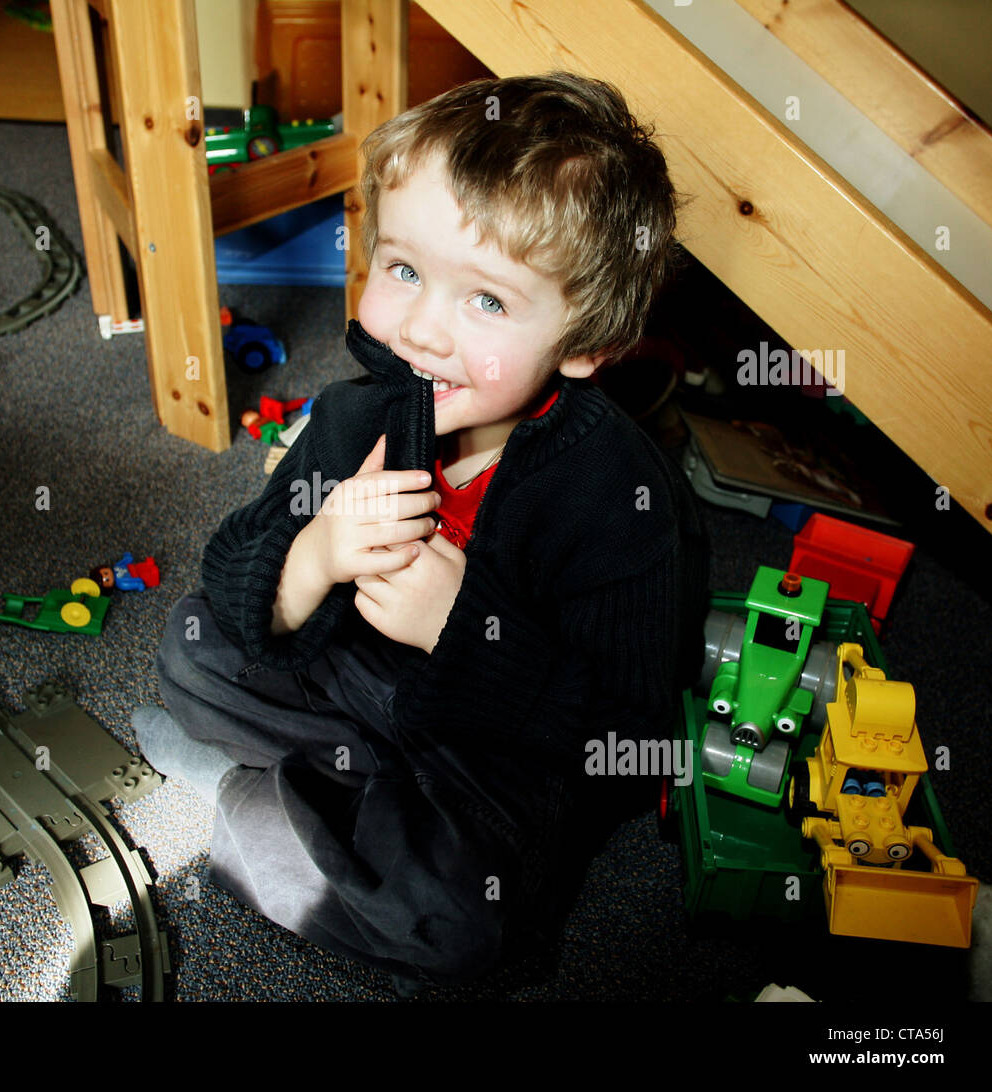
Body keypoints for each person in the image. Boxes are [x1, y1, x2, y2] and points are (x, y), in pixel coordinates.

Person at [134, 71, 710, 993]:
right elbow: (238, 560)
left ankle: (267, 808)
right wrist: (311, 560)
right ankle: (335, 801)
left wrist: (464, 630)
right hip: (359, 689)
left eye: (486, 301)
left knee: (466, 921)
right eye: (403, 271)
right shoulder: (356, 413)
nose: (424, 330)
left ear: (585, 342)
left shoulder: (615, 495)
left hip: (492, 756)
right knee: (193, 645)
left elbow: (622, 736)